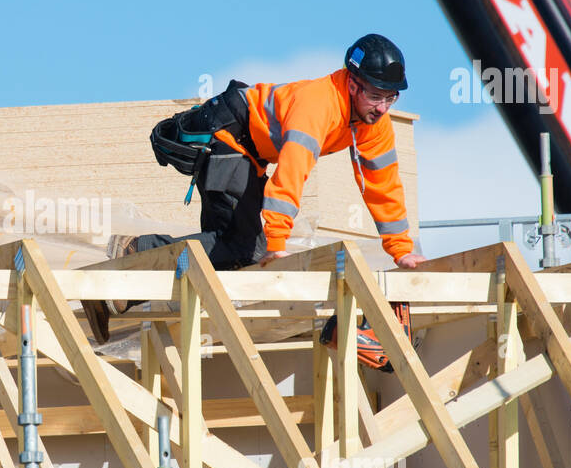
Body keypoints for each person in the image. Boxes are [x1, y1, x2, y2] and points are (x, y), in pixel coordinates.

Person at [84, 34, 427, 342]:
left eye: (390, 98)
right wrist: (277, 242)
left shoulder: (373, 123)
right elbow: (292, 173)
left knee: (234, 251)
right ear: (353, 84)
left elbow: (384, 185)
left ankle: (132, 273)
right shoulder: (318, 105)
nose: (382, 108)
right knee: (241, 247)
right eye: (376, 96)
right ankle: (136, 254)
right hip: (228, 138)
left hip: (250, 155)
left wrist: (401, 250)